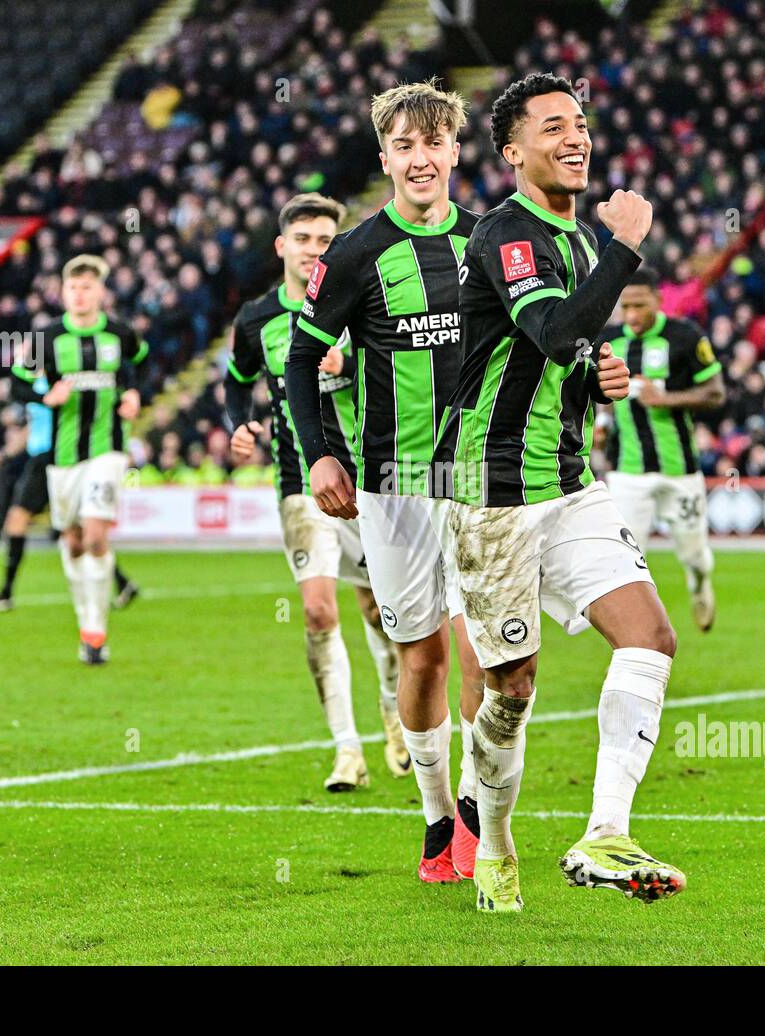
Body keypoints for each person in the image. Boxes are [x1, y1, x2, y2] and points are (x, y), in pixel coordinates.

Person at [428, 73, 686, 912]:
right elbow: (551, 328)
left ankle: (604, 832)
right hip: (492, 489)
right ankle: (494, 840)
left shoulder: (577, 241)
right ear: (513, 151)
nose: (574, 137)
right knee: (512, 691)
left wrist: (596, 376)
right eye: (552, 128)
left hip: (570, 482)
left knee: (649, 637)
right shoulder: (508, 233)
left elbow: (560, 351)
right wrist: (627, 247)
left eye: (579, 123)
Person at [285, 81, 487, 882]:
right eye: (405, 146)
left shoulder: (491, 240)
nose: (421, 158)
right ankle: (439, 815)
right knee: (424, 658)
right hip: (392, 484)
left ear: (455, 152)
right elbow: (304, 361)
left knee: (486, 653)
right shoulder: (356, 254)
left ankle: (478, 806)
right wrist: (321, 453)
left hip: (479, 477)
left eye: (434, 143)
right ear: (386, 158)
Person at [225, 192, 407, 792]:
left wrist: (347, 370)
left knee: (381, 612)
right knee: (317, 608)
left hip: (367, 480)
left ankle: (393, 712)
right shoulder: (255, 319)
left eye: (326, 240)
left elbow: (396, 378)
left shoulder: (362, 301)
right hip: (300, 481)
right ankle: (346, 751)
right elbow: (237, 380)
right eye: (303, 239)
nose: (313, 250)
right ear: (282, 246)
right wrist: (240, 423)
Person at [10, 255, 141, 664]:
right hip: (63, 457)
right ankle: (85, 621)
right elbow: (16, 385)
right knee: (72, 540)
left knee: (96, 536)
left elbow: (135, 370)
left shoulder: (121, 334)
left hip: (108, 451)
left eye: (87, 287)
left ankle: (97, 634)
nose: (80, 294)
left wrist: (135, 394)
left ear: (100, 292)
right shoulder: (48, 339)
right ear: (63, 293)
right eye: (73, 288)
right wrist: (43, 397)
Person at [601, 270, 725, 631]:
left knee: (694, 554)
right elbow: (604, 395)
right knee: (626, 558)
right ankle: (635, 634)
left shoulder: (684, 336)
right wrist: (603, 426)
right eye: (625, 306)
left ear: (658, 299)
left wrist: (666, 399)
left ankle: (700, 584)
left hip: (679, 469)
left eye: (640, 305)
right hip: (627, 471)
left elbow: (716, 392)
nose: (632, 314)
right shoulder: (608, 341)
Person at [0, 371, 141, 612]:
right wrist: (5, 454)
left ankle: (6, 594)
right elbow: (33, 425)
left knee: (21, 521)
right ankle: (122, 583)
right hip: (41, 457)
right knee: (77, 531)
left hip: (59, 456)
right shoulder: (38, 385)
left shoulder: (64, 378)